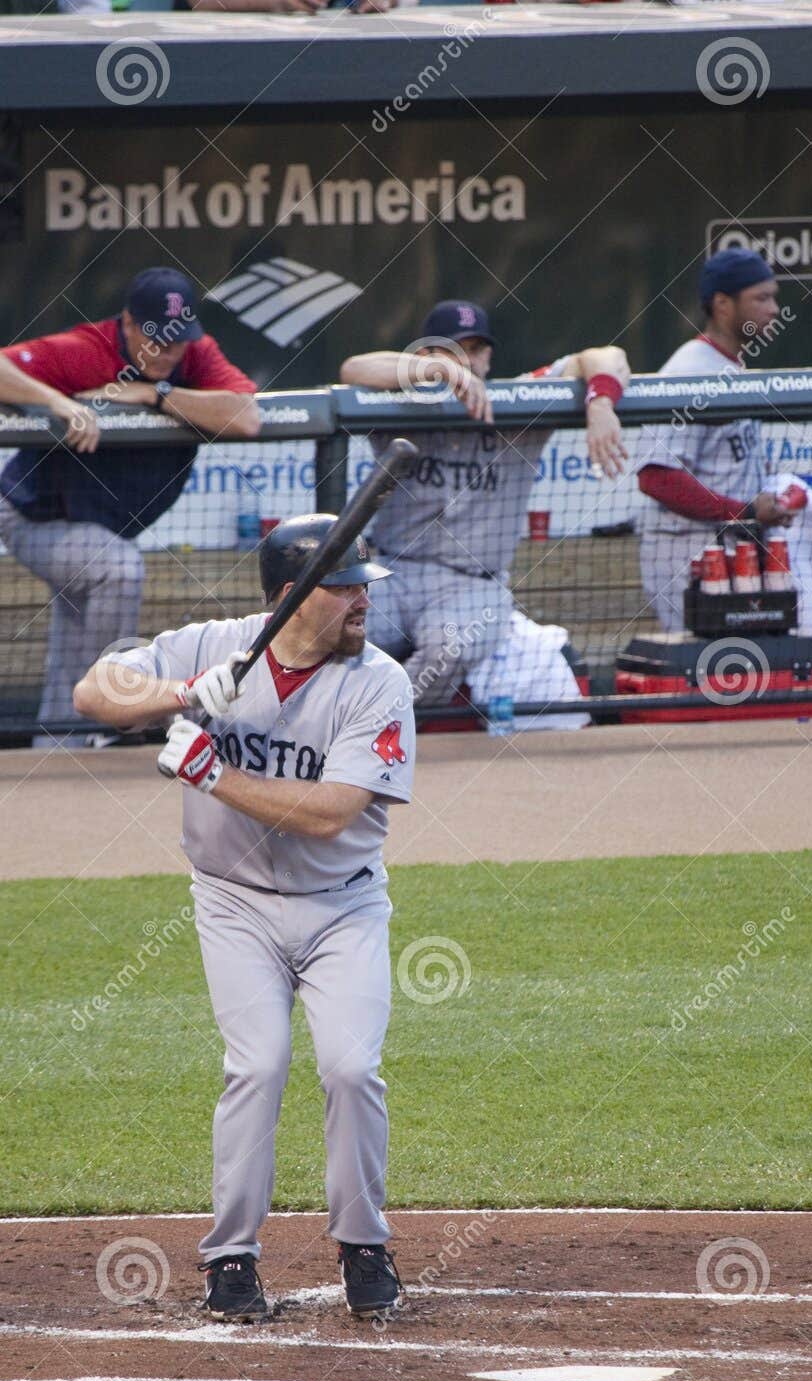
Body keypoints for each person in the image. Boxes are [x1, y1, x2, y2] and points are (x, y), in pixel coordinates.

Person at [72, 515, 415, 1324]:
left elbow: (332, 813)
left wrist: (210, 772)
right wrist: (182, 695)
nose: (363, 600)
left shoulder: (378, 680)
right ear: (291, 595)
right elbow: (94, 690)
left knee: (349, 1067)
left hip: (343, 905)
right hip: (233, 901)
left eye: (365, 584)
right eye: (345, 586)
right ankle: (230, 1259)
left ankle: (363, 1243)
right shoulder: (212, 644)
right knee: (256, 1066)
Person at [0, 267, 259, 745]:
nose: (168, 351)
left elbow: (247, 417)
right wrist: (56, 402)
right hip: (32, 514)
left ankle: (62, 745)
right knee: (118, 569)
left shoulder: (195, 357)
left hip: (97, 526)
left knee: (81, 627)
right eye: (156, 340)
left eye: (178, 341)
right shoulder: (88, 349)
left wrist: (155, 394)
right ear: (128, 324)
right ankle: (110, 716)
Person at [340, 301, 629, 708]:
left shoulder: (518, 403)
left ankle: (377, 726)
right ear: (422, 357)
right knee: (328, 631)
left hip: (473, 584)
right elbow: (353, 368)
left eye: (476, 350)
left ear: (489, 357)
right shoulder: (399, 403)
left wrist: (600, 402)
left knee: (449, 649)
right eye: (454, 350)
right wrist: (444, 371)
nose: (468, 361)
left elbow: (604, 356)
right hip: (394, 573)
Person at [636, 250, 812, 635]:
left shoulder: (731, 366)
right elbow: (656, 477)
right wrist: (744, 510)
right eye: (760, 298)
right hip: (687, 552)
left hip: (728, 546)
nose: (774, 309)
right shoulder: (690, 371)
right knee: (704, 675)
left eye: (773, 297)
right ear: (723, 304)